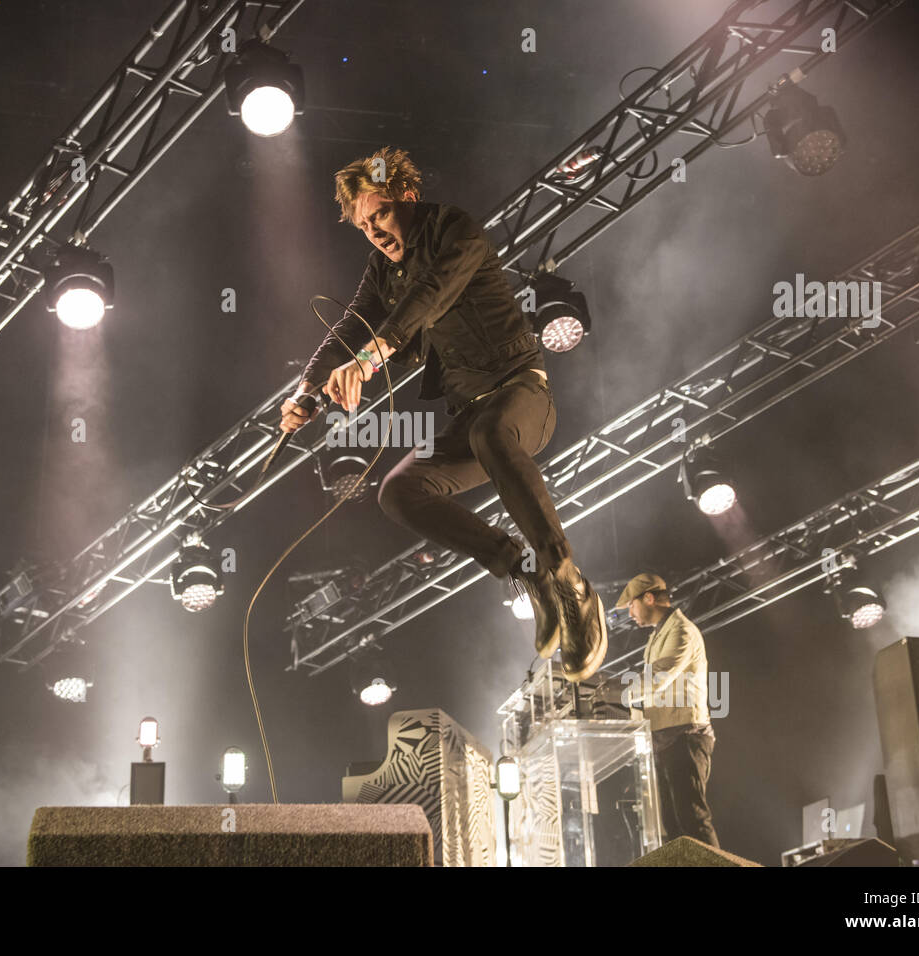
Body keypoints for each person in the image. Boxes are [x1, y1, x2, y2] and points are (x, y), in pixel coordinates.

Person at [280, 146, 606, 680]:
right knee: (398, 491)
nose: (375, 232)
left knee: (492, 433)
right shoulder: (379, 271)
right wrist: (306, 393)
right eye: (363, 224)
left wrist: (368, 361)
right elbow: (347, 330)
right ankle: (525, 570)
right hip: (471, 418)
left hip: (523, 394)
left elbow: (428, 298)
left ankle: (570, 583)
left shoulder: (455, 229)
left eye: (380, 213)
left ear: (408, 196)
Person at [616, 573, 719, 847]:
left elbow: (659, 677)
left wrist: (617, 692)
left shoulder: (681, 630)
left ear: (648, 598)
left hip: (686, 736)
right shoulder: (657, 637)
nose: (630, 611)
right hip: (666, 741)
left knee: (693, 820)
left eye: (631, 604)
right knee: (675, 832)